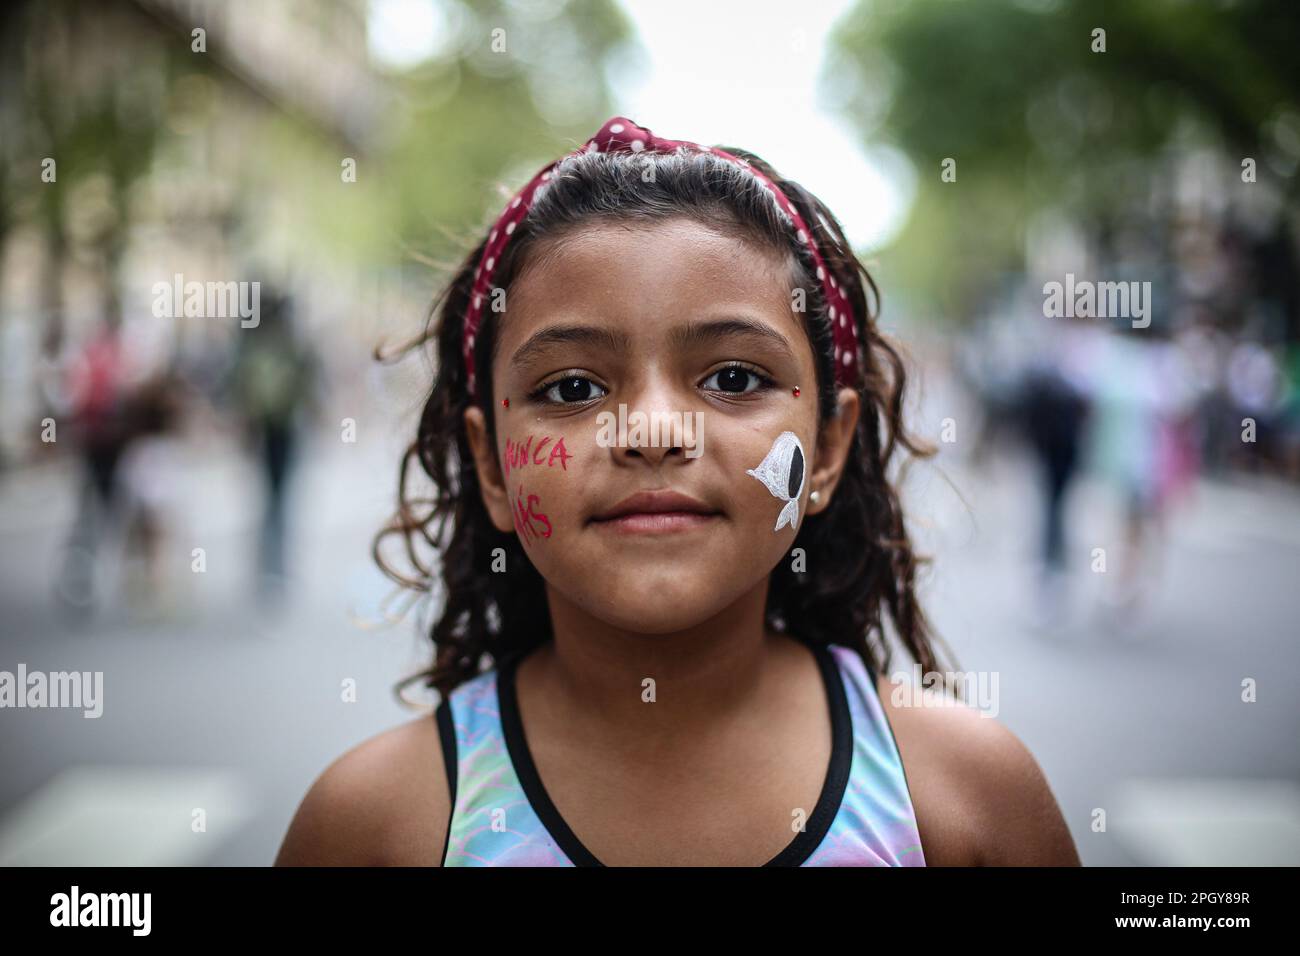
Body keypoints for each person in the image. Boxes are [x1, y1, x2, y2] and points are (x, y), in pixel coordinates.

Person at [276, 117, 1079, 867]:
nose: (656, 431)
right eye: (570, 388)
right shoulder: (379, 825)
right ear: (492, 467)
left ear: (828, 449)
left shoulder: (967, 802)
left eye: (734, 377)